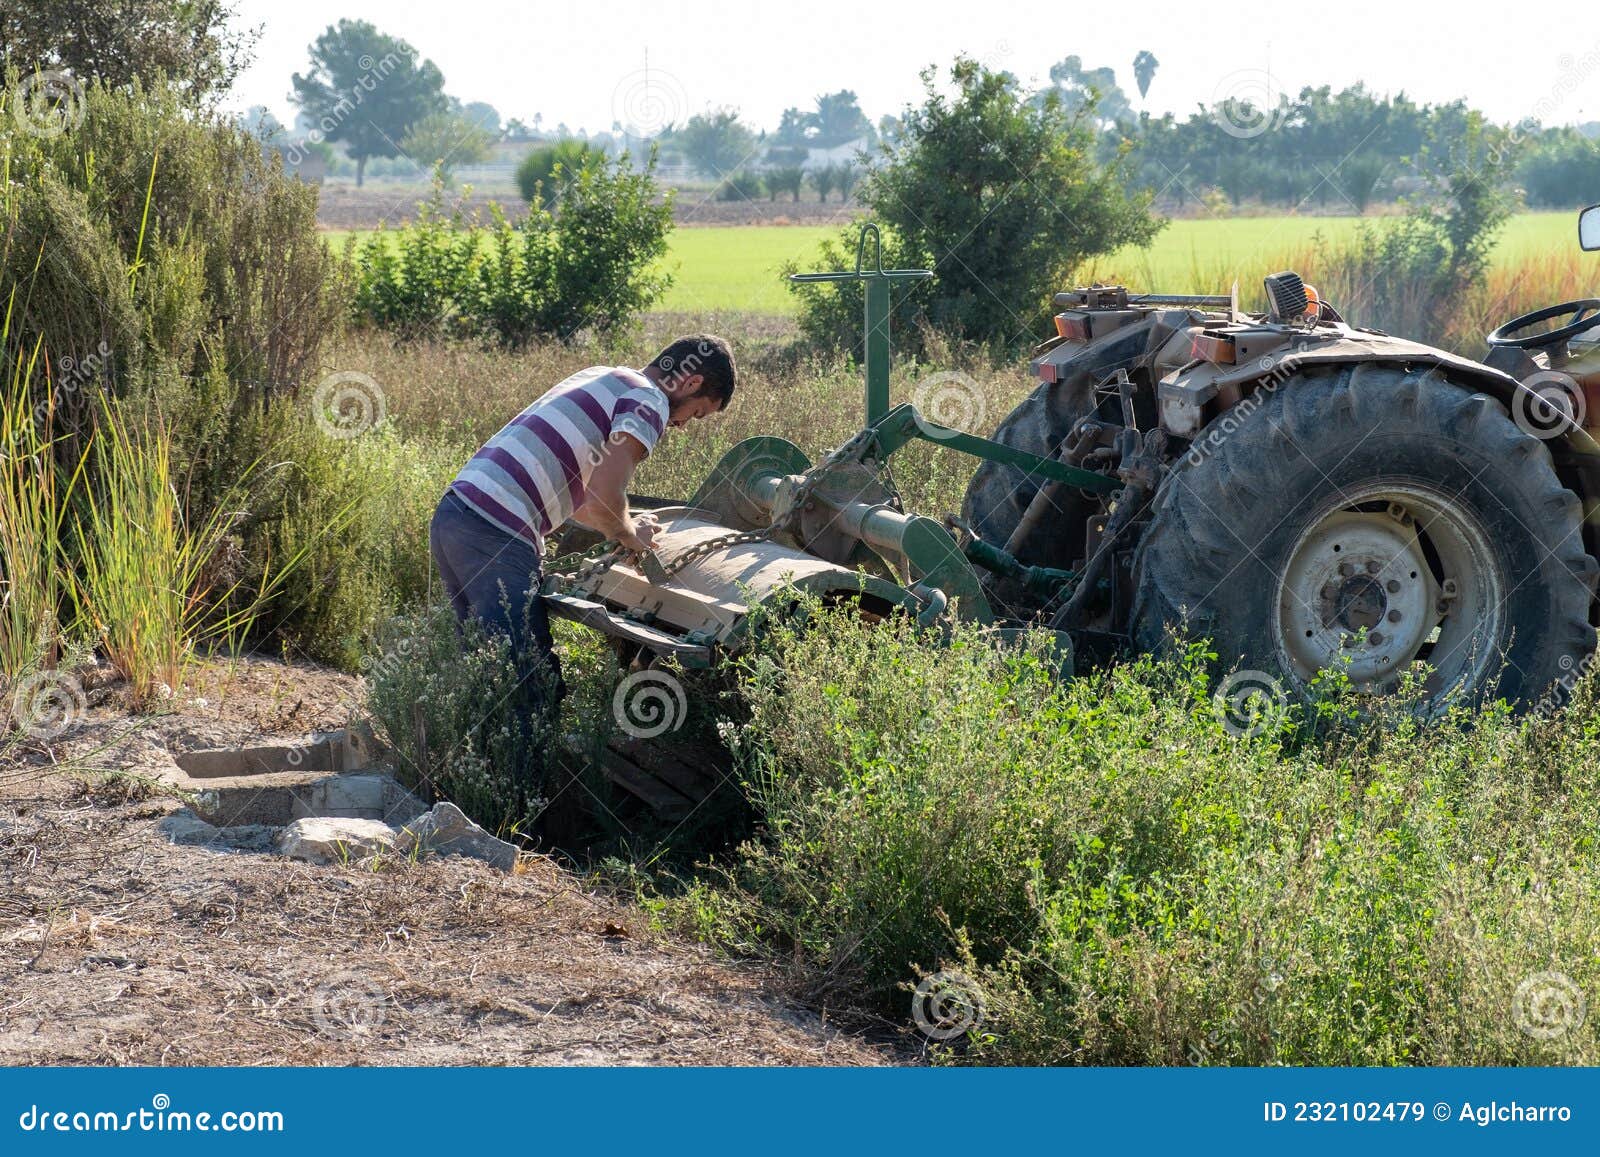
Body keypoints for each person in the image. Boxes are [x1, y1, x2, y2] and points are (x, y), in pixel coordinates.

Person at [428, 334, 736, 715]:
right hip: (496, 532)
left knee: (486, 669)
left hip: (455, 516)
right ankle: (525, 773)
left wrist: (625, 525)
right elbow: (600, 497)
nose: (684, 425)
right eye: (698, 413)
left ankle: (464, 765)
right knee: (530, 688)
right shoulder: (651, 401)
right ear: (691, 383)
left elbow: (581, 504)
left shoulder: (605, 377)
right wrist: (628, 535)